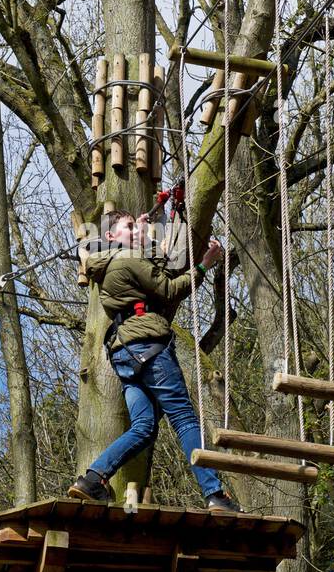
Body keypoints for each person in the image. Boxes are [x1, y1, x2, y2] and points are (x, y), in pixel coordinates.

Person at [68, 209, 243, 512]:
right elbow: (169, 289)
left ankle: (93, 479)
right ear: (111, 236)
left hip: (125, 356)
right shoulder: (127, 259)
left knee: (143, 427)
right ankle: (214, 493)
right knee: (185, 419)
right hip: (149, 348)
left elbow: (150, 270)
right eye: (128, 228)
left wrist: (147, 231)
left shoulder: (107, 265)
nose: (136, 231)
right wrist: (205, 263)